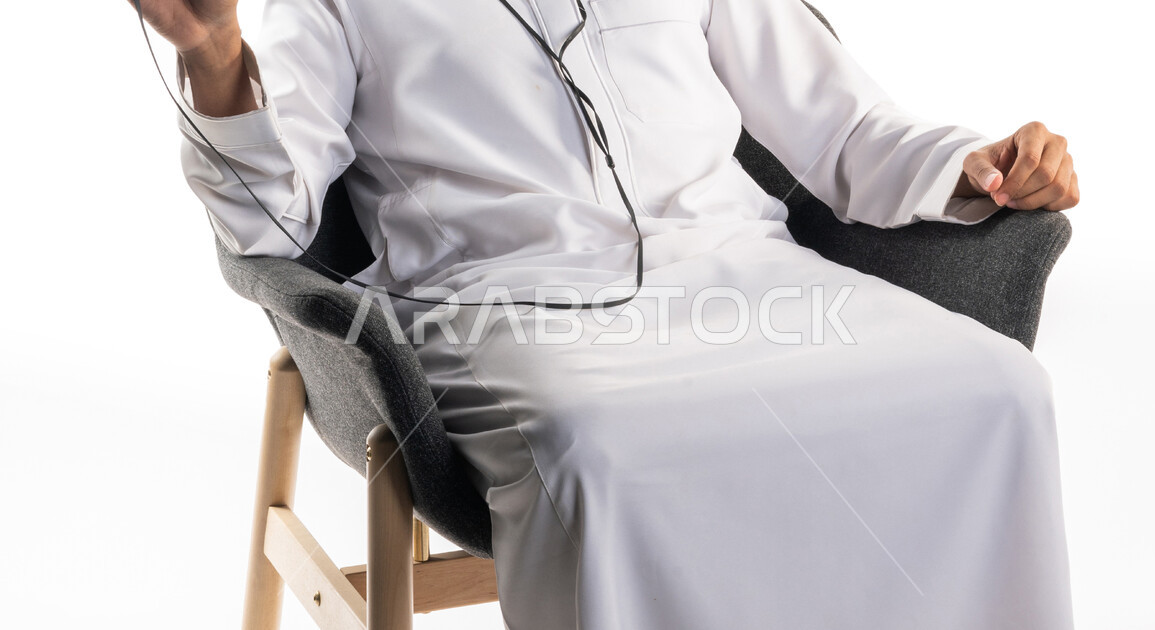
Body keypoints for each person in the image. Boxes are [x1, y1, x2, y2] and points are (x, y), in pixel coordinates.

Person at [130, 0, 1079, 627]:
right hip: (499, 299)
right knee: (598, 446)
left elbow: (844, 128)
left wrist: (983, 162)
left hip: (743, 273)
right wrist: (215, 55)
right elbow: (272, 219)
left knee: (998, 387)